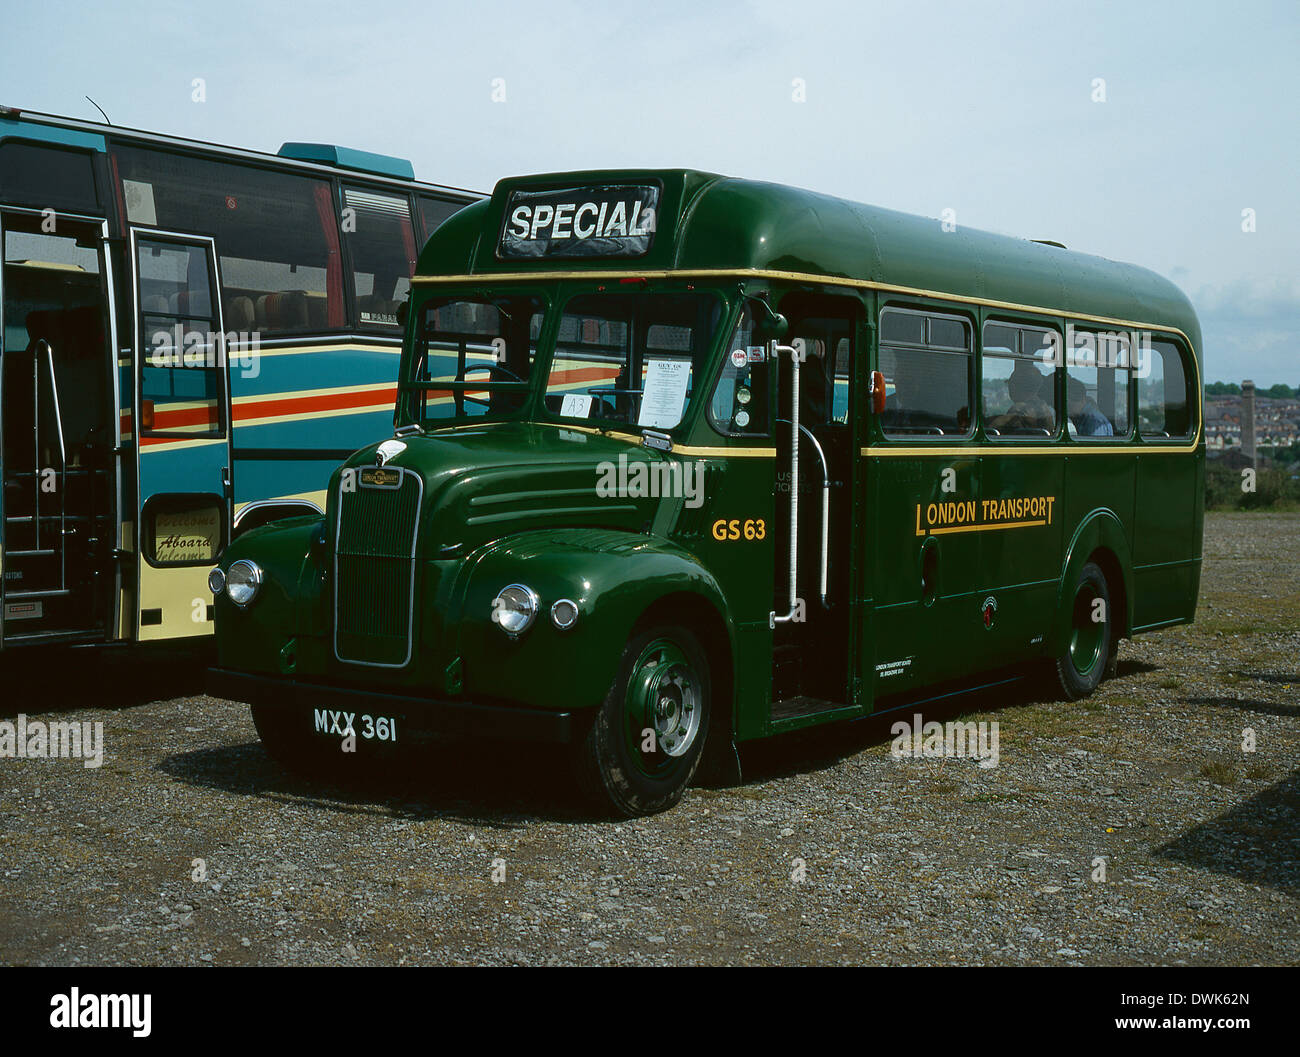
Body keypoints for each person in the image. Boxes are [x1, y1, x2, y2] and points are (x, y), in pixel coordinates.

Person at [988, 360, 1054, 434]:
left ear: (1015, 386)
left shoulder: (1019, 409)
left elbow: (993, 428)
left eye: (1010, 384)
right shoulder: (1044, 407)